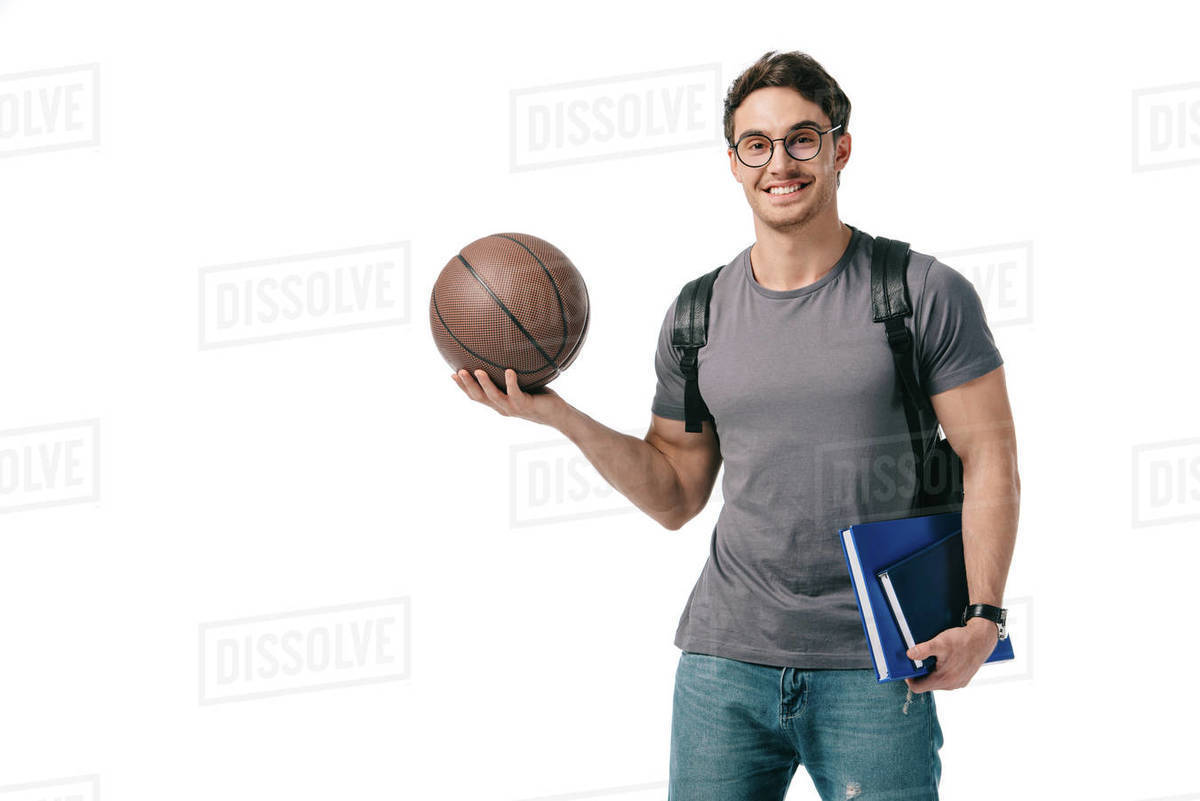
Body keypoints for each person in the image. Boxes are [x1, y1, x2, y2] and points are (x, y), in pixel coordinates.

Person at [452, 49, 1019, 801]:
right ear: (733, 162)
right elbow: (676, 493)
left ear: (840, 148)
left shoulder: (919, 292)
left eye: (801, 139)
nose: (778, 162)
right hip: (723, 663)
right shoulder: (698, 313)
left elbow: (990, 457)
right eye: (756, 144)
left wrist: (983, 617)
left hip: (877, 664)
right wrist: (556, 414)